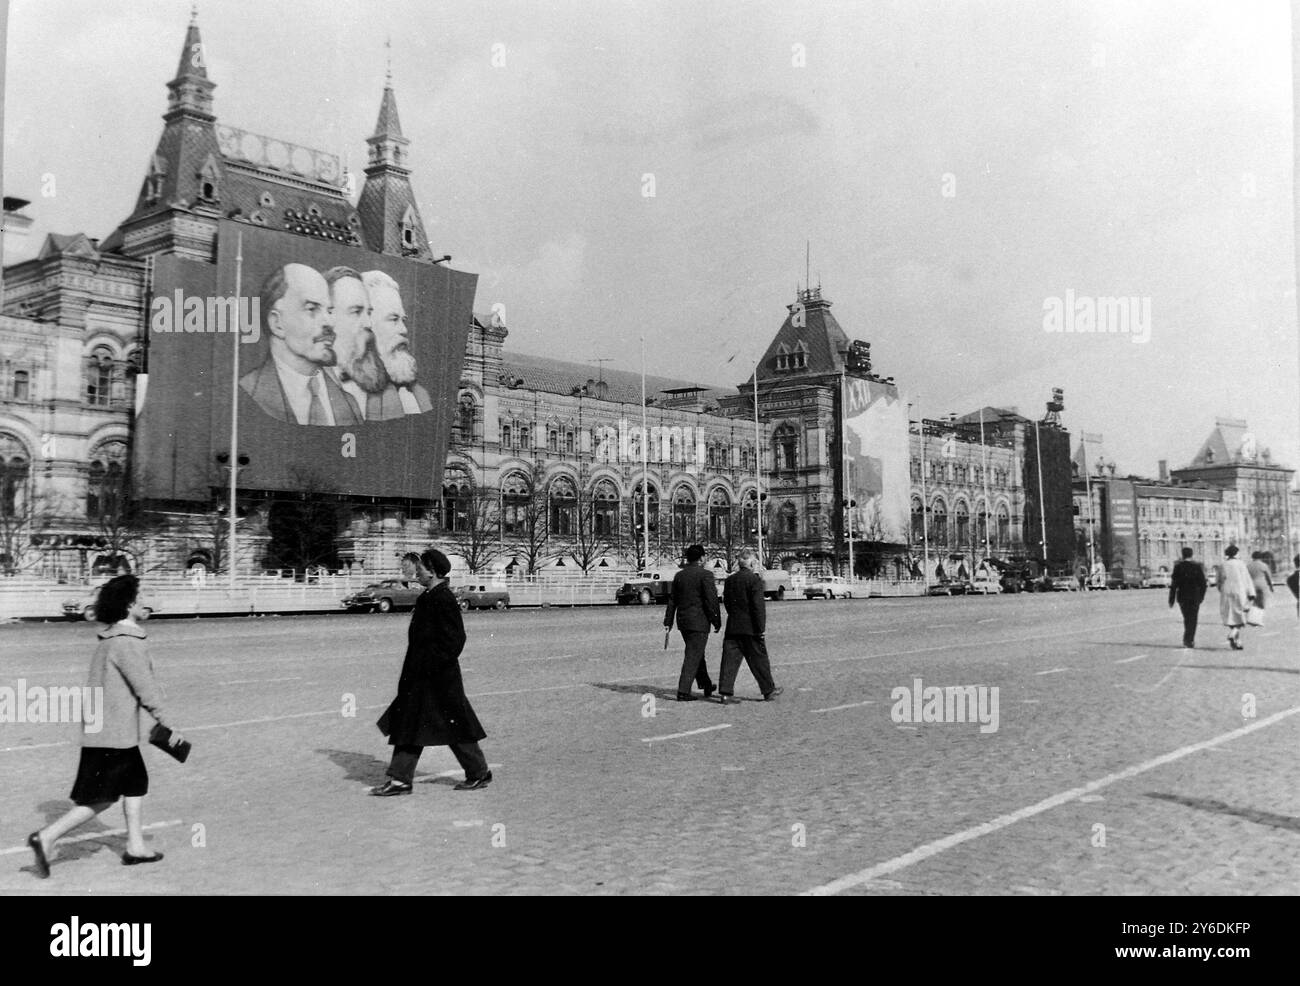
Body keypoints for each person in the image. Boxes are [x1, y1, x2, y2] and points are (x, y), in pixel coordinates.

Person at [28, 575, 185, 878]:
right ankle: (47, 837)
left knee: (136, 783)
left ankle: (137, 846)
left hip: (106, 732)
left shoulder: (111, 639)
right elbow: (147, 690)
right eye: (144, 596)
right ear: (129, 604)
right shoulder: (127, 643)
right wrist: (168, 725)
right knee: (102, 799)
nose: (149, 602)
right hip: (114, 737)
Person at [372, 549, 491, 795]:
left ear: (434, 571)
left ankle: (478, 773)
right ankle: (401, 779)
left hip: (438, 678)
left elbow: (455, 639)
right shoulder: (428, 596)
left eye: (422, 569)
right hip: (421, 675)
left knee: (452, 725)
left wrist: (431, 666)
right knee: (412, 723)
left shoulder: (443, 598)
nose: (417, 572)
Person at [239, 263, 362, 425]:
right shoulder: (245, 395)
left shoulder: (349, 404)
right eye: (312, 309)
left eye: (329, 311)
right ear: (277, 323)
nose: (330, 322)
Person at [362, 270, 432, 420]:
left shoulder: (418, 397)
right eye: (393, 319)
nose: (404, 330)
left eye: (403, 320)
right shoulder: (351, 396)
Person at [323, 265, 390, 420]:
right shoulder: (306, 386)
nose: (368, 323)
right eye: (356, 311)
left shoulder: (379, 382)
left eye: (369, 313)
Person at [718, 548, 782, 704]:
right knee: (759, 660)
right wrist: (760, 628)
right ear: (752, 563)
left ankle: (725, 693)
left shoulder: (730, 580)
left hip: (733, 626)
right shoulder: (755, 581)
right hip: (751, 628)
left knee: (729, 661)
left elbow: (726, 602)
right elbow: (758, 607)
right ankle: (768, 690)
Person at [663, 544, 720, 701]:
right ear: (701, 558)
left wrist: (668, 621)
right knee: (693, 655)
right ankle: (683, 691)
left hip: (683, 621)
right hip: (699, 622)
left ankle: (706, 684)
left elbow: (672, 600)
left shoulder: (679, 576)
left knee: (696, 653)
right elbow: (711, 600)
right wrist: (716, 620)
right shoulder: (706, 575)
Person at [1168, 547, 1207, 649]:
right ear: (1191, 554)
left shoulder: (1178, 567)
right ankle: (1189, 640)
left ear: (1182, 555)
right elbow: (1203, 584)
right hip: (1195, 597)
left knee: (1186, 618)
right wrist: (1201, 597)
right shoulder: (1197, 567)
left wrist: (1171, 599)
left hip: (1182, 597)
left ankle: (1187, 639)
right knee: (1193, 619)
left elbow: (1174, 585)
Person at [1217, 545, 1253, 651]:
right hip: (1239, 591)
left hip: (1226, 591)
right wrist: (1251, 593)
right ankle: (1233, 633)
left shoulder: (1223, 564)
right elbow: (1246, 578)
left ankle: (1237, 642)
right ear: (1236, 553)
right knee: (1241, 615)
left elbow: (1219, 580)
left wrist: (1221, 589)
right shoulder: (1241, 564)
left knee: (1230, 616)